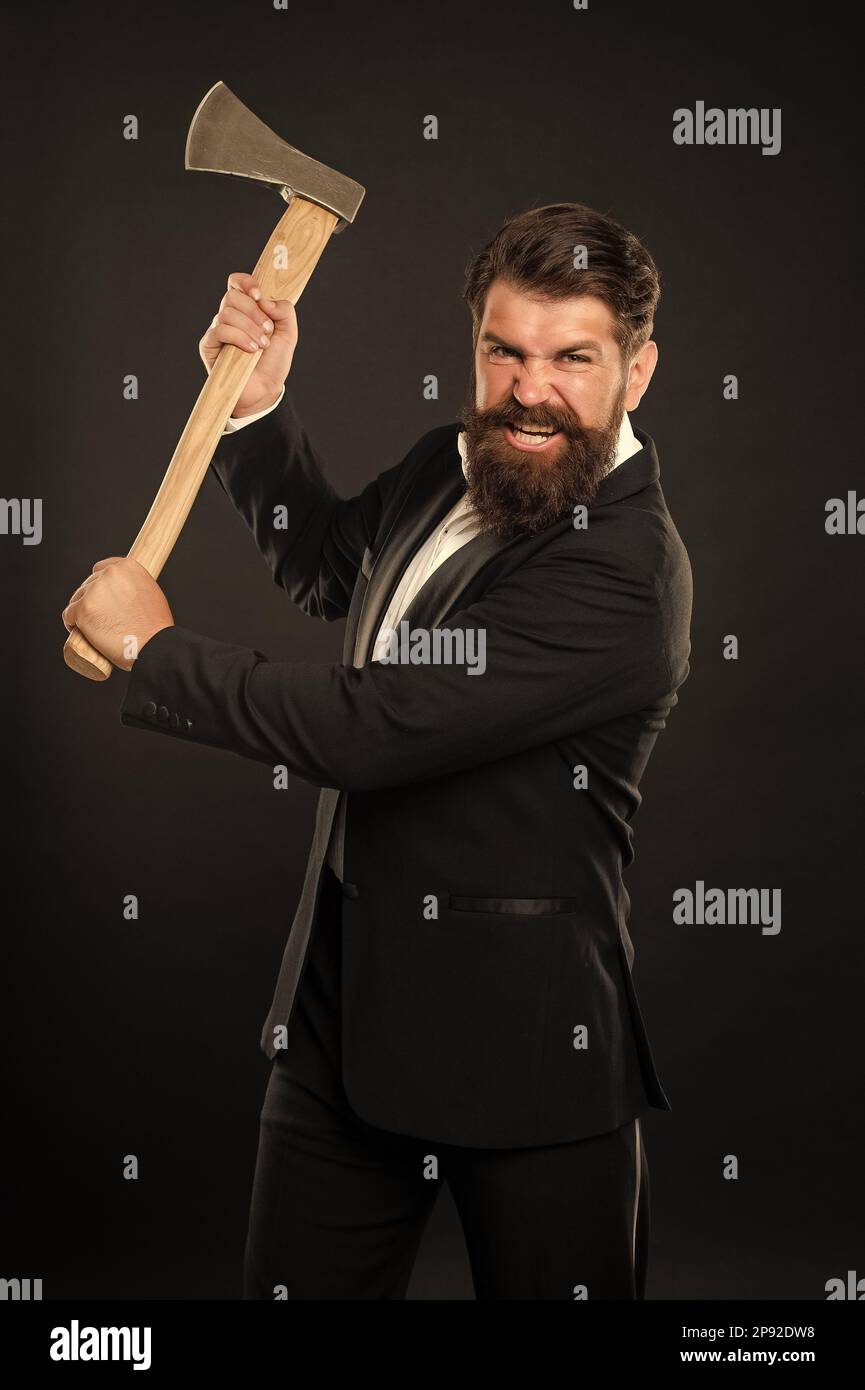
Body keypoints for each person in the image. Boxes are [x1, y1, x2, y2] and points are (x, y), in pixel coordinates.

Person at [62, 202, 692, 1300]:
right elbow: (328, 571)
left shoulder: (626, 577)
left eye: (571, 358)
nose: (529, 390)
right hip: (337, 1032)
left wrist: (152, 653)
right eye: (504, 350)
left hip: (530, 1066)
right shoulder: (456, 464)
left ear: (637, 371)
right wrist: (255, 412)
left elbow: (370, 724)